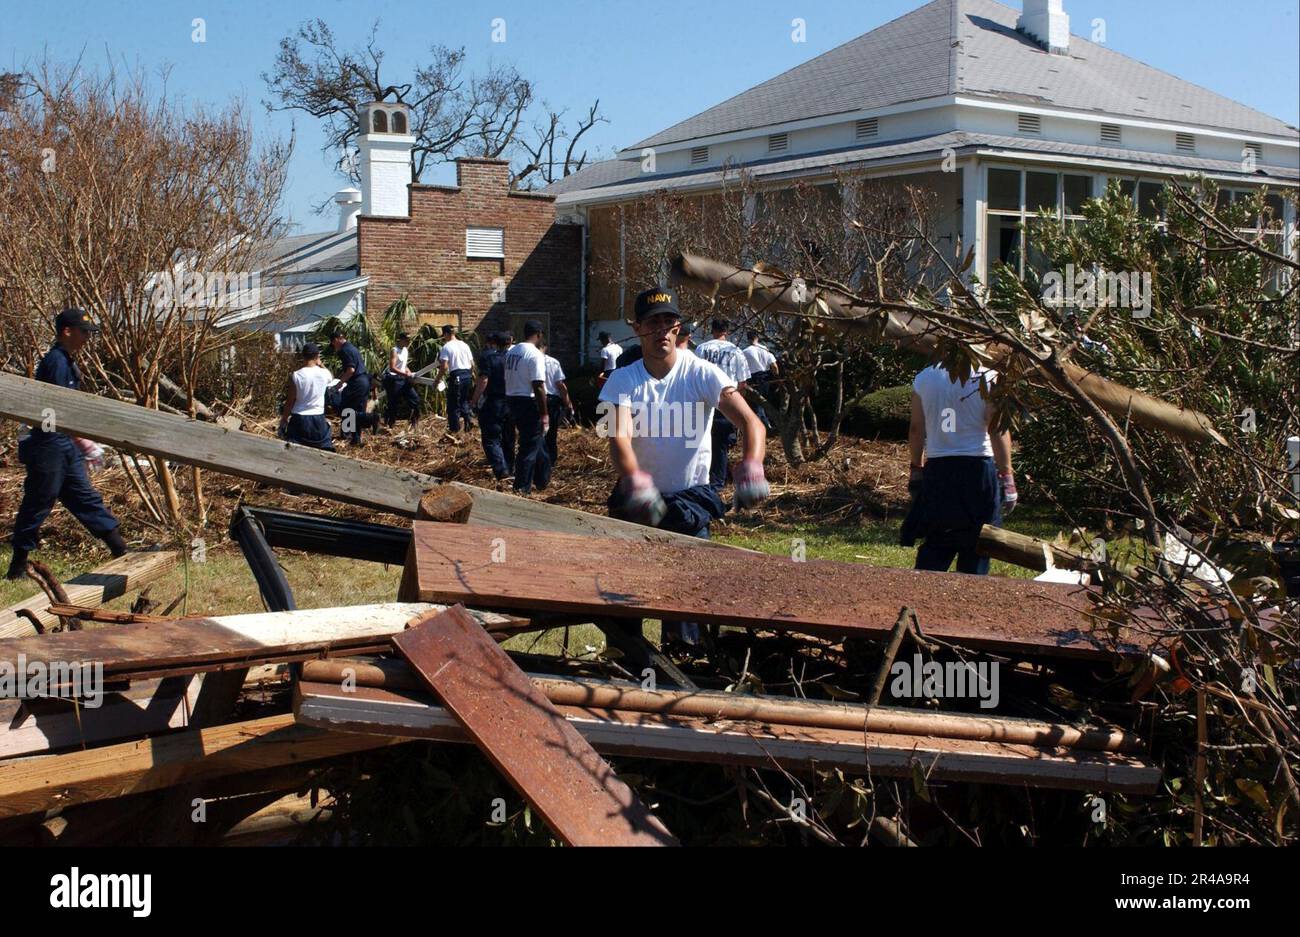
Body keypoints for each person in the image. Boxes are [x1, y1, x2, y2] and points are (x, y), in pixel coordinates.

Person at [600, 288, 769, 645]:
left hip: (689, 504)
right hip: (637, 506)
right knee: (623, 597)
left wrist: (752, 465)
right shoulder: (621, 381)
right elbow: (618, 439)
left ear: (678, 328)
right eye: (652, 323)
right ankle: (625, 663)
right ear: (637, 327)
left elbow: (753, 424)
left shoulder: (702, 373)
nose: (661, 330)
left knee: (688, 603)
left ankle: (686, 667)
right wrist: (634, 480)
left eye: (668, 322)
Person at [7, 308, 127, 580]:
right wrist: (82, 441)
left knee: (84, 497)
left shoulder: (65, 361)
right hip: (49, 445)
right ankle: (17, 565)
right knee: (39, 501)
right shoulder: (56, 363)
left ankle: (121, 550)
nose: (87, 338)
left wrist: (78, 441)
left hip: (62, 444)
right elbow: (55, 410)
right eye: (84, 332)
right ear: (67, 332)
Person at [900, 364, 1017, 575]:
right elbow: (996, 427)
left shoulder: (924, 377)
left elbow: (916, 428)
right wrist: (1007, 476)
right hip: (977, 467)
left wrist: (916, 467)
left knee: (937, 537)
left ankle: (922, 594)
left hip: (938, 468)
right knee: (979, 540)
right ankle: (967, 599)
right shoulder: (989, 376)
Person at [693, 318, 752, 490]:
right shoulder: (735, 350)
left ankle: (700, 480)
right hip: (726, 400)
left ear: (712, 330)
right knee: (721, 445)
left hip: (702, 400)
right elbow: (742, 382)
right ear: (727, 331)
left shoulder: (701, 348)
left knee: (699, 441)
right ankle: (717, 483)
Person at [504, 320, 551, 495]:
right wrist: (544, 413)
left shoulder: (511, 352)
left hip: (512, 399)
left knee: (536, 441)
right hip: (528, 401)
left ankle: (542, 478)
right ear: (539, 334)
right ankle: (522, 486)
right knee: (528, 446)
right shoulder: (535, 354)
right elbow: (538, 386)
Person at [470, 332, 516, 482]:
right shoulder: (514, 359)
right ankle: (510, 467)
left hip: (494, 401)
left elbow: (483, 380)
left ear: (494, 343)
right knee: (508, 437)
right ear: (510, 342)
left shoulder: (489, 358)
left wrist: (474, 401)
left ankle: (501, 469)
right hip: (510, 401)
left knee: (491, 439)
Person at [279, 343, 336, 451]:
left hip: (299, 418)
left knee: (295, 449)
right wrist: (321, 364)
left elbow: (290, 402)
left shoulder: (296, 375)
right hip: (318, 418)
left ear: (303, 356)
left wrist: (284, 420)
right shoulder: (324, 373)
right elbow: (332, 377)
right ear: (317, 356)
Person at [329, 329, 374, 447]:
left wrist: (339, 384)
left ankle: (370, 420)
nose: (334, 347)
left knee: (345, 407)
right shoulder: (352, 347)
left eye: (333, 344)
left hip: (357, 382)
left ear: (336, 340)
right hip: (364, 381)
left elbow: (351, 370)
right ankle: (356, 438)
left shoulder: (344, 350)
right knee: (357, 410)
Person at [540, 342, 576, 467]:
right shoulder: (553, 362)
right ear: (545, 347)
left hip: (535, 400)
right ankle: (550, 460)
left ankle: (540, 461)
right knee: (551, 433)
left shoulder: (528, 361)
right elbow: (560, 385)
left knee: (536, 433)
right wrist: (568, 404)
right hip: (552, 401)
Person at [436, 324, 476, 435]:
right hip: (467, 375)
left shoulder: (447, 347)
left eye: (444, 335)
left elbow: (444, 366)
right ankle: (468, 423)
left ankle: (454, 430)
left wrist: (437, 380)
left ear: (446, 334)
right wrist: (470, 375)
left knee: (453, 404)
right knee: (463, 401)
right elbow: (472, 364)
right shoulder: (464, 345)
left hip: (456, 375)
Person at [381, 333, 421, 430]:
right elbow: (392, 368)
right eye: (407, 340)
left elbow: (403, 366)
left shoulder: (405, 350)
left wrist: (410, 373)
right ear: (401, 340)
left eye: (409, 340)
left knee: (415, 399)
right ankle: (389, 425)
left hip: (403, 379)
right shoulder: (395, 351)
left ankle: (414, 423)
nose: (408, 342)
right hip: (394, 379)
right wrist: (405, 374)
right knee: (393, 403)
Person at [741, 331, 778, 430]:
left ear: (748, 339)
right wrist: (776, 377)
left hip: (753, 378)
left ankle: (764, 426)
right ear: (757, 337)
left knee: (757, 403)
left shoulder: (745, 351)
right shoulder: (765, 349)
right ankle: (768, 424)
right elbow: (774, 366)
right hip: (766, 377)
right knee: (765, 401)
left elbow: (742, 368)